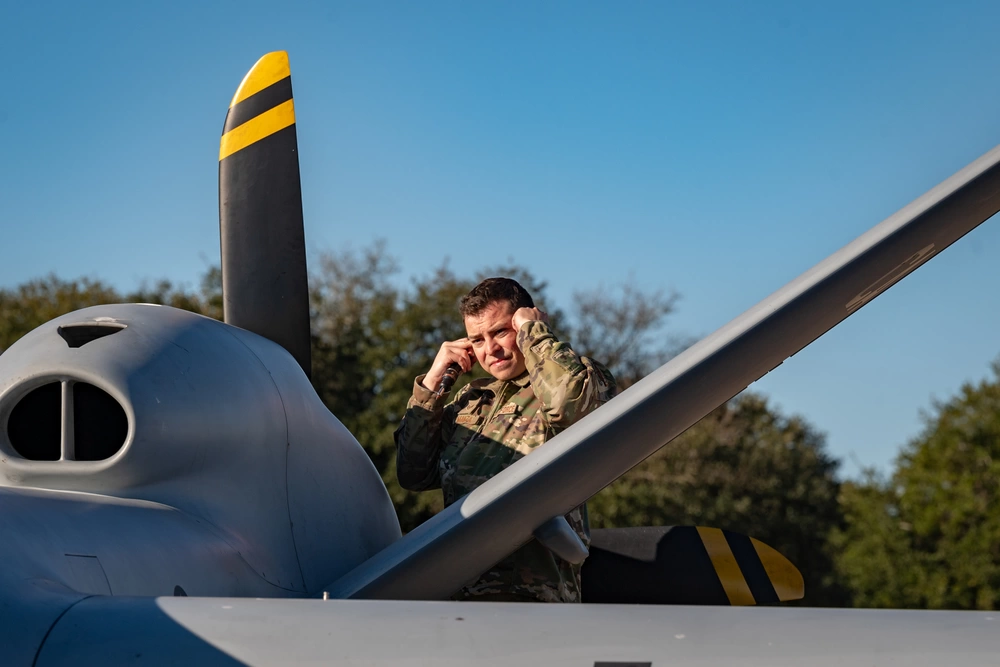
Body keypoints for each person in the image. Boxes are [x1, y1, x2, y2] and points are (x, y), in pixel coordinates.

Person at [394, 277, 617, 602]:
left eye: (500, 332)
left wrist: (535, 333)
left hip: (536, 602)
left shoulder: (575, 379)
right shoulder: (470, 401)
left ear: (524, 320)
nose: (491, 349)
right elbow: (412, 472)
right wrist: (431, 385)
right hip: (461, 599)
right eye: (477, 339)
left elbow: (568, 406)